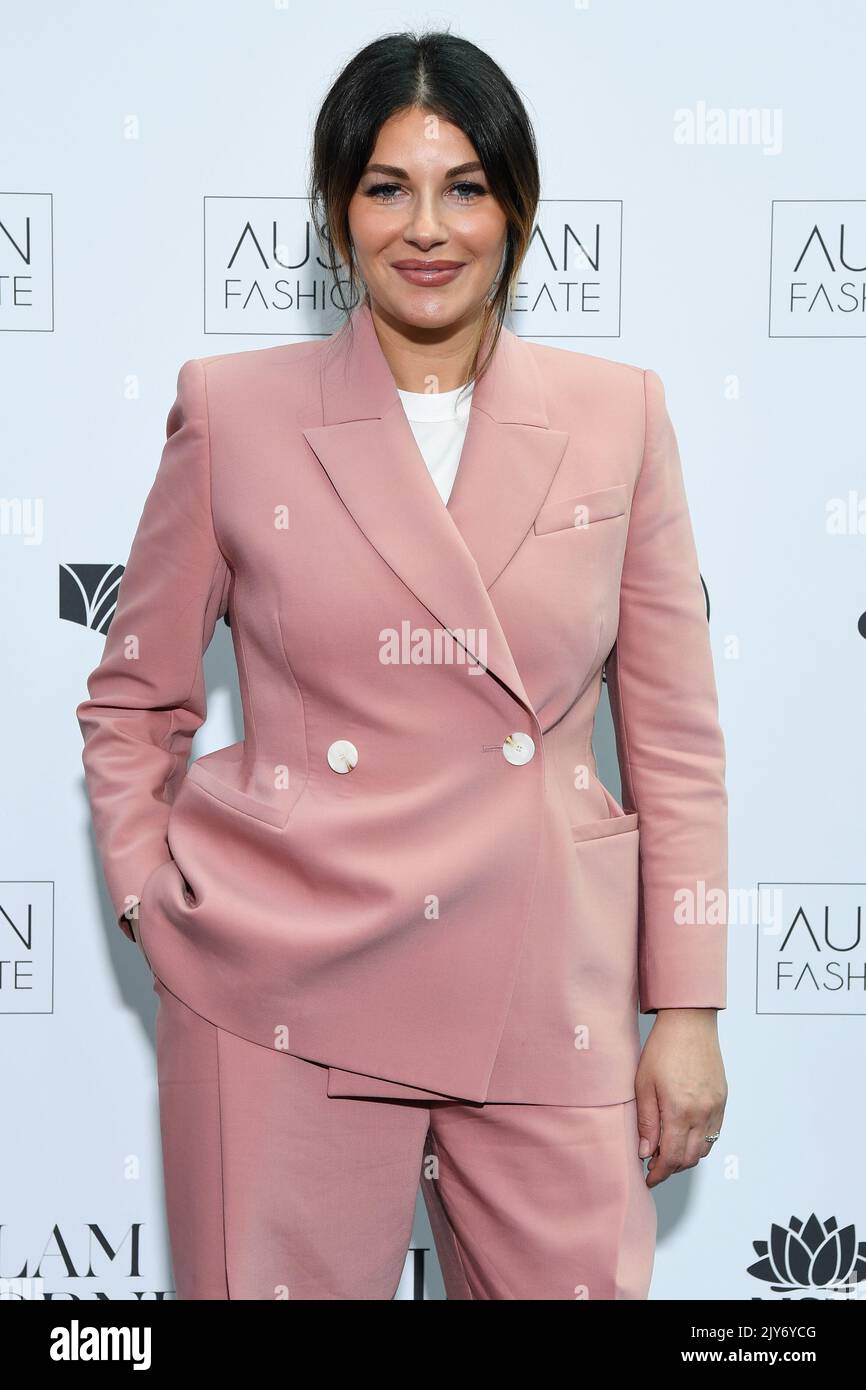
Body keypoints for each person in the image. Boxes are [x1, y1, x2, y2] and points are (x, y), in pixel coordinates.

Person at [76, 29, 728, 1301]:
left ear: (516, 209)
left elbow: (675, 736)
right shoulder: (233, 410)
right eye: (386, 187)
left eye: (464, 186)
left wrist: (688, 1006)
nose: (426, 228)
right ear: (336, 213)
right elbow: (134, 696)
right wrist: (154, 901)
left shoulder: (618, 415)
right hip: (286, 981)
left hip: (545, 979)